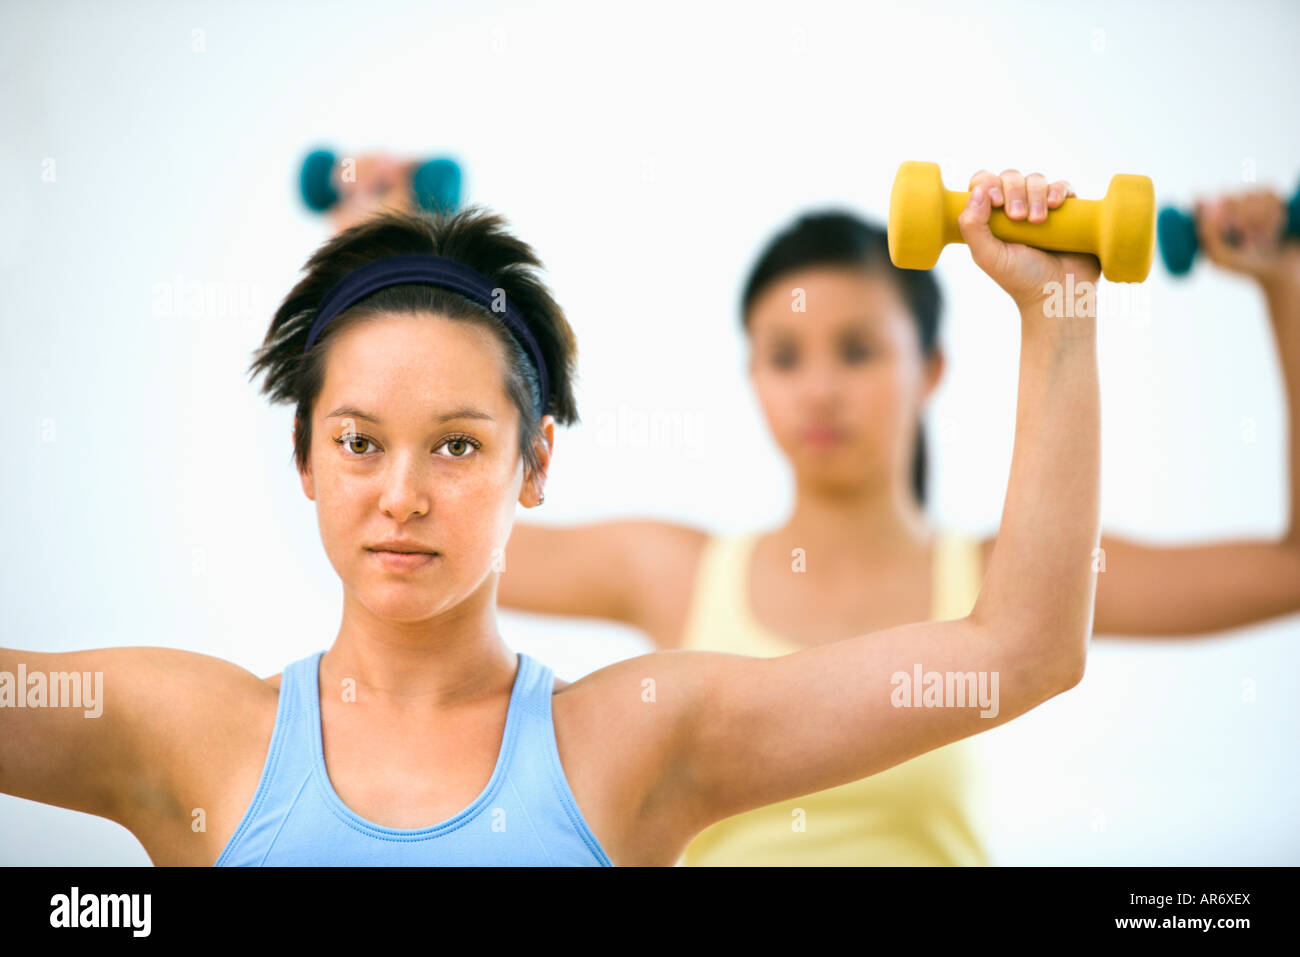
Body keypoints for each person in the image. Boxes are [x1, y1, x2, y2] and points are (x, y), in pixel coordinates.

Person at [2, 173, 1101, 865]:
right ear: (303, 460)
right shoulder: (188, 734)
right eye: (357, 441)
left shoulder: (638, 741)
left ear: (534, 466)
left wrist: (1059, 313)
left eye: (458, 444)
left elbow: (1021, 649)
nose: (401, 493)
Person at [499, 171, 1300, 865]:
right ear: (752, 376)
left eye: (856, 350)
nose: (818, 388)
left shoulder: (1020, 580)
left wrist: (1287, 281)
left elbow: (1288, 570)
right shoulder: (673, 572)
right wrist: (372, 252)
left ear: (933, 368)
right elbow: (404, 537)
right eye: (784, 355)